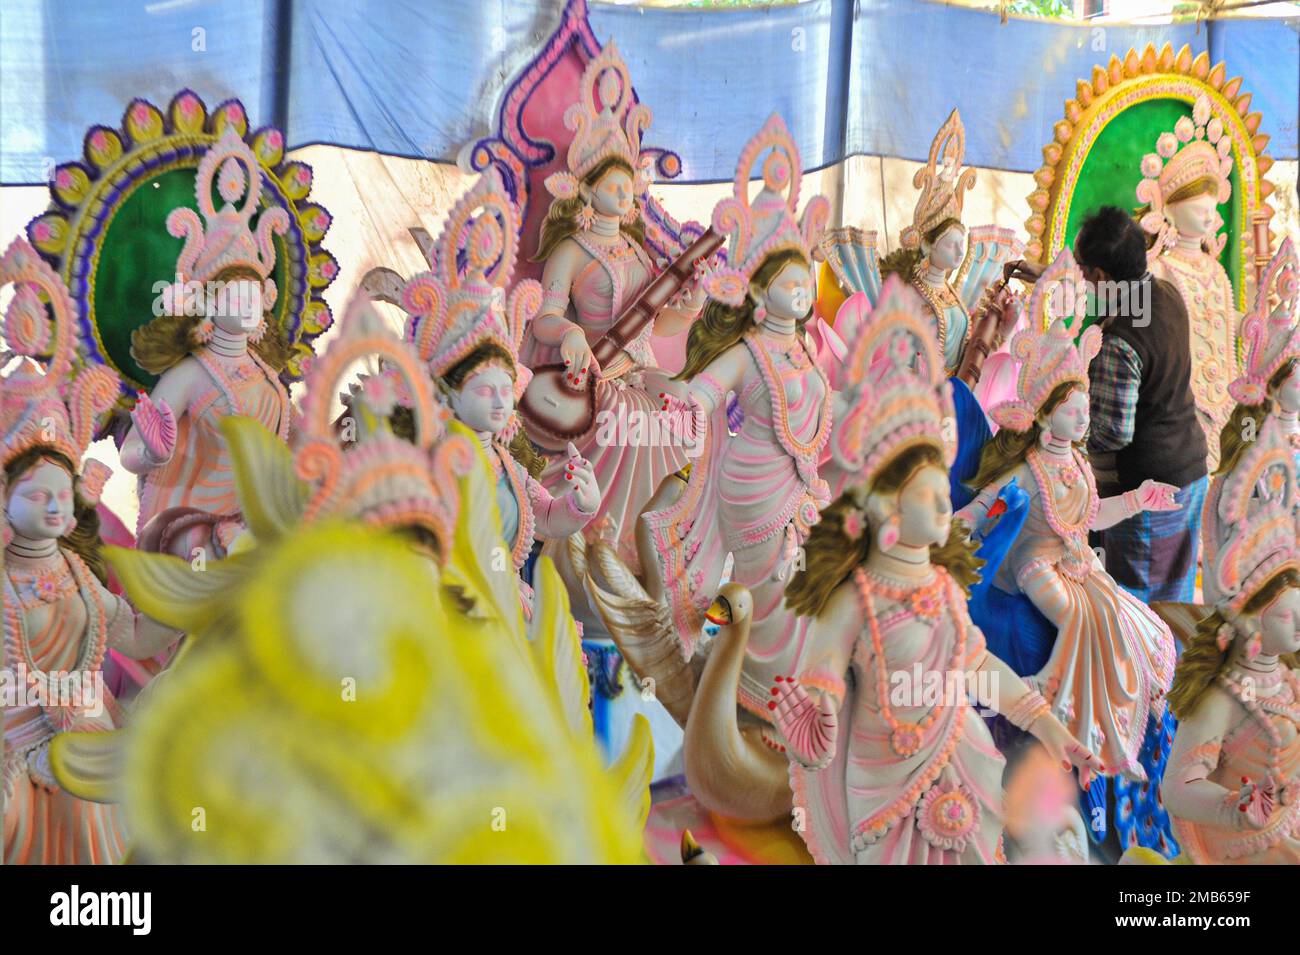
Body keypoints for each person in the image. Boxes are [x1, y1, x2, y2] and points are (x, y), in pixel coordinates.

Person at [1016, 206, 1208, 602]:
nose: (1080, 277)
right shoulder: (1164, 292)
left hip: (1147, 485)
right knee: (1177, 595)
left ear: (1100, 276)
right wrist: (1049, 279)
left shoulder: (1119, 341)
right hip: (1190, 469)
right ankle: (1177, 660)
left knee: (1140, 605)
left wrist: (1050, 425)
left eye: (1082, 268)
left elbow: (1111, 433)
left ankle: (1149, 666)